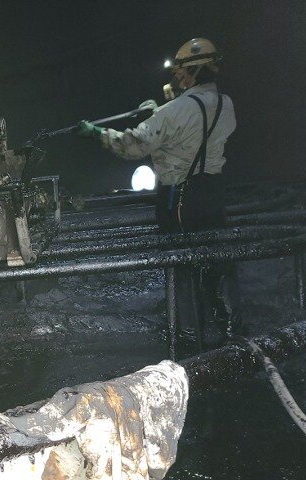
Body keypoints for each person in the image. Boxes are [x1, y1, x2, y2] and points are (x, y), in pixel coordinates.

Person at [76, 37, 240, 341]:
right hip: (212, 192)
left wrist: (96, 133)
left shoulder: (173, 111)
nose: (177, 77)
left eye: (181, 72)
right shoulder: (225, 104)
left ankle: (188, 337)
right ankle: (229, 327)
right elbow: (192, 122)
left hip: (179, 198)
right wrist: (161, 111)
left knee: (180, 265)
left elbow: (133, 145)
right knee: (216, 258)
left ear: (196, 70)